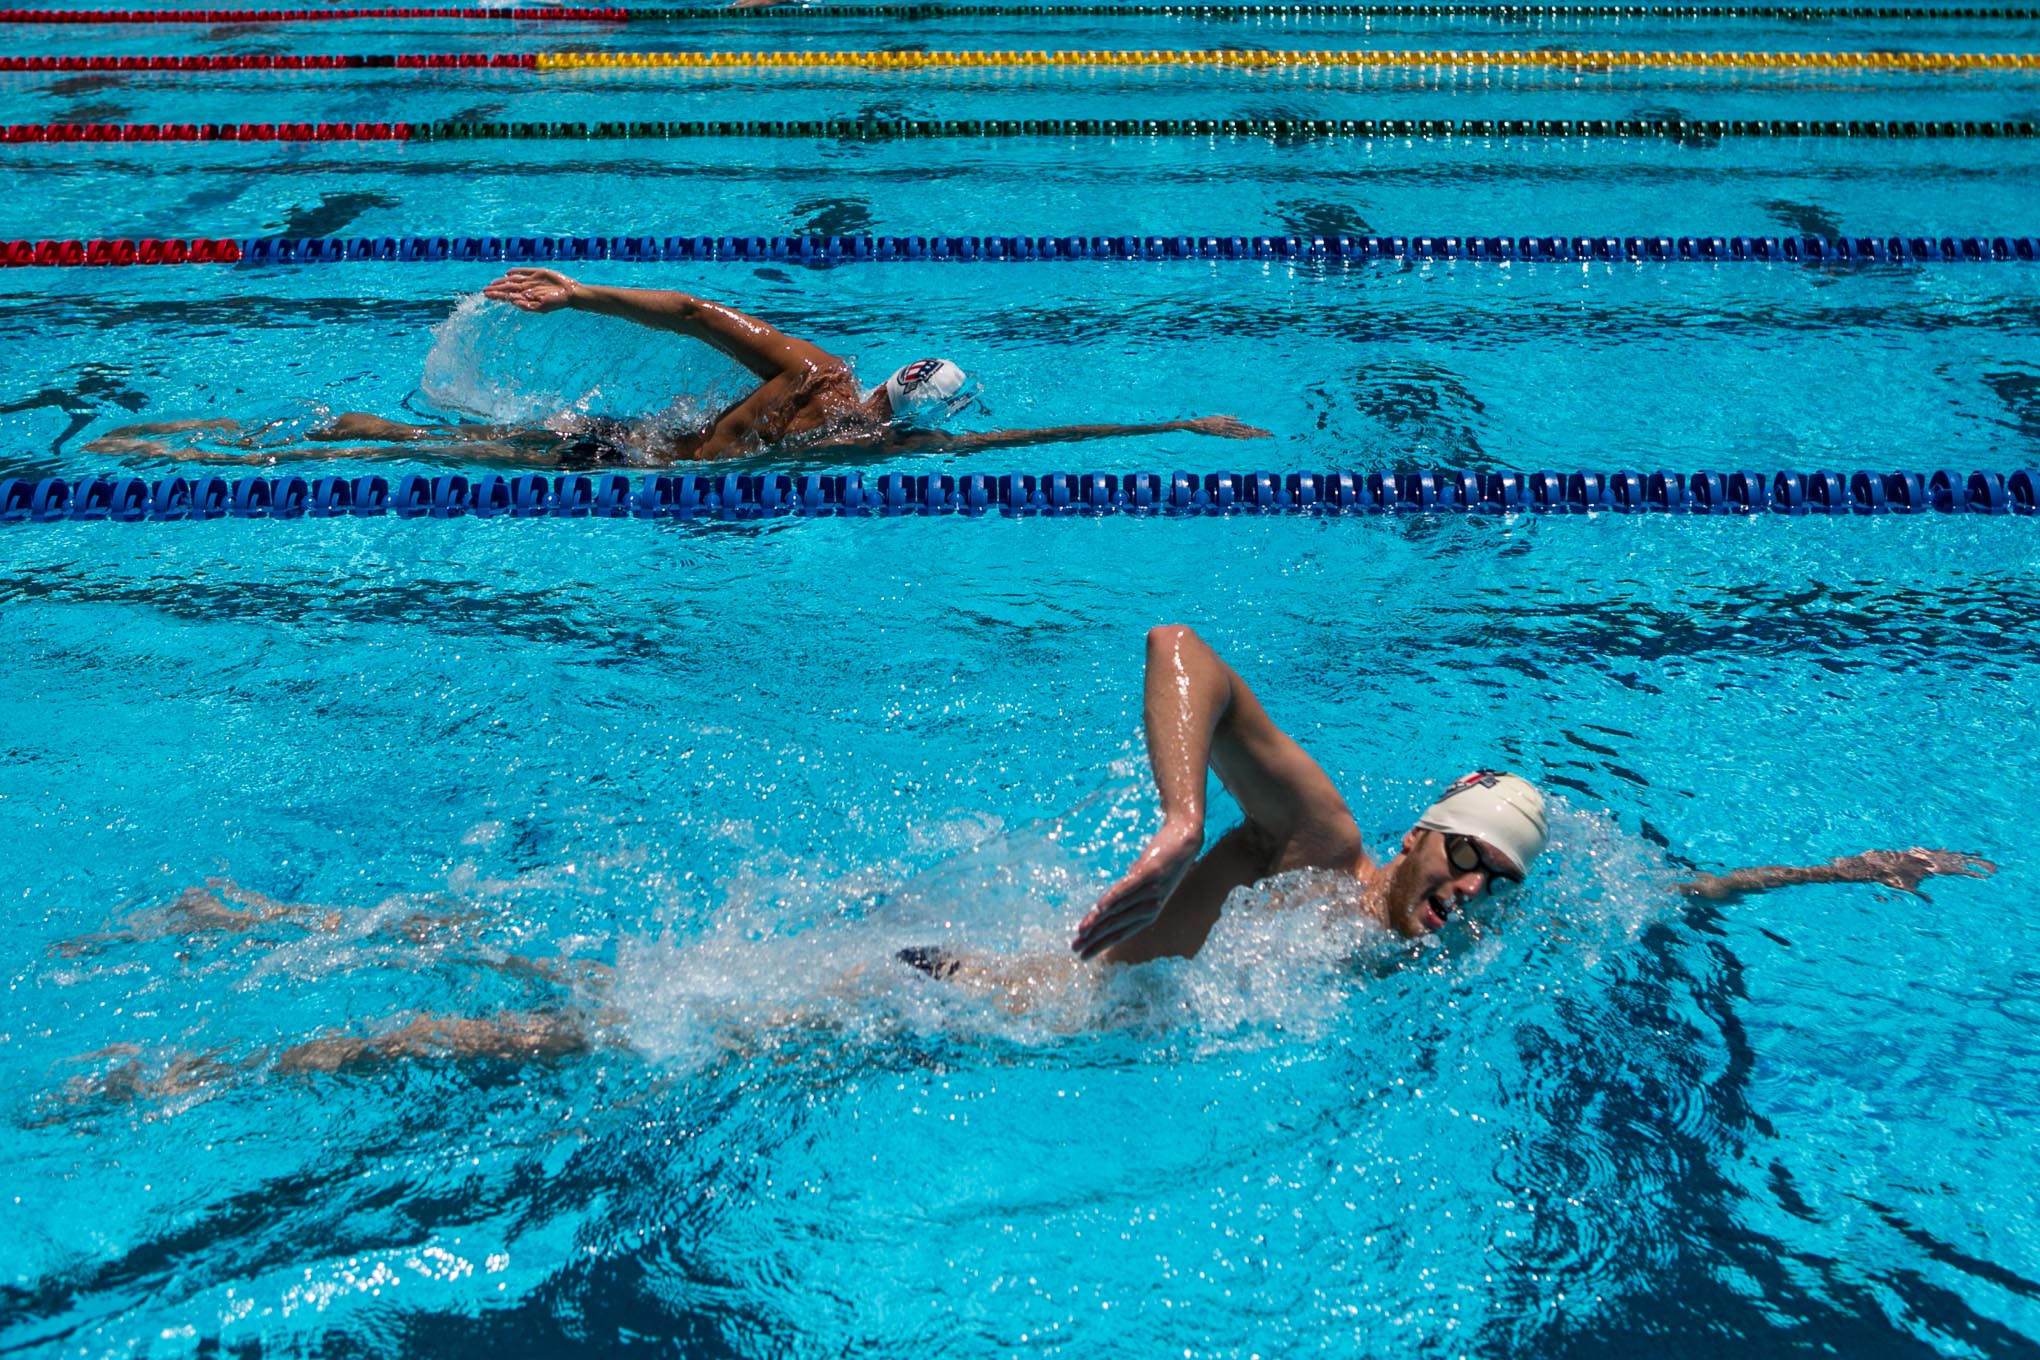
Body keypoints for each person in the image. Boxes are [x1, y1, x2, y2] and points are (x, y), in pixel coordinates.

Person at [83, 269, 1271, 467]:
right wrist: (581, 293)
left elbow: (1031, 445)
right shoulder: (818, 381)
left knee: (448, 447)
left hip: (648, 463)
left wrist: (1169, 428)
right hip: (628, 463)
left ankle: (229, 441)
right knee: (424, 445)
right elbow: (702, 313)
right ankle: (207, 442)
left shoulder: (856, 439)